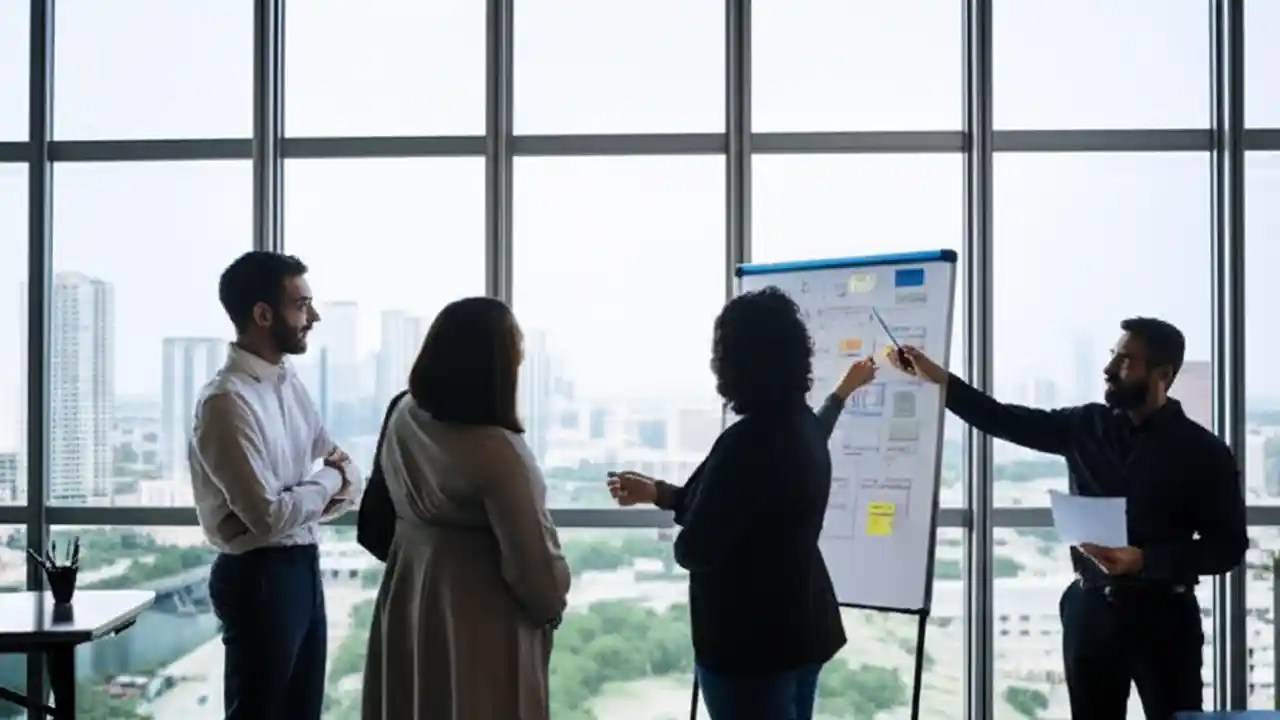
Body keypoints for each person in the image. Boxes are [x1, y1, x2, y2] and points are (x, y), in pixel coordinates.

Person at [886, 317, 1247, 719]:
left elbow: (1228, 547)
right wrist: (937, 378)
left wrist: (1145, 560)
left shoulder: (1204, 452)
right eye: (1113, 356)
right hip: (1090, 613)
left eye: (1126, 361)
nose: (1109, 369)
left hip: (1166, 620)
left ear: (1163, 374)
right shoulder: (1085, 425)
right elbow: (1001, 418)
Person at [607, 286, 878, 720]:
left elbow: (696, 547)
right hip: (802, 629)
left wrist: (683, 527)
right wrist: (659, 493)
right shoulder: (800, 428)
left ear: (734, 362)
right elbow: (738, 498)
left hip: (751, 647)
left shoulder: (747, 442)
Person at [361, 297, 570, 720]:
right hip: (479, 619)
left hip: (409, 596)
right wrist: (554, 602)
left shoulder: (403, 414)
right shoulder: (501, 452)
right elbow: (536, 573)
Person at [190, 251, 359, 720]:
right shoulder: (227, 401)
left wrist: (314, 492)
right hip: (258, 578)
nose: (314, 317)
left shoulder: (288, 383)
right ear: (263, 314)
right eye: (301, 305)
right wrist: (327, 480)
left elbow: (352, 474)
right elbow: (268, 517)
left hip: (302, 565)